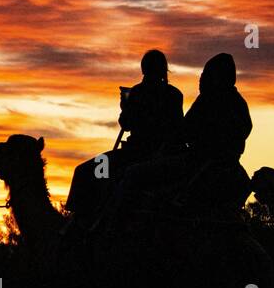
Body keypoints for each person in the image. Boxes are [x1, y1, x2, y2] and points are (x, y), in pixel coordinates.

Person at [106, 53, 253, 228]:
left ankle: (113, 227)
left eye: (204, 76)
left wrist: (127, 108)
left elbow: (183, 131)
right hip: (211, 161)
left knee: (131, 175)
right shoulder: (235, 102)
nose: (201, 80)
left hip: (197, 162)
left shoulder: (209, 101)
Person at [65, 49, 183, 225]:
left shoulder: (140, 92)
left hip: (133, 155)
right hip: (144, 154)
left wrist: (125, 106)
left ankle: (81, 221)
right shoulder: (173, 94)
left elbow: (126, 123)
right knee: (94, 171)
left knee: (88, 171)